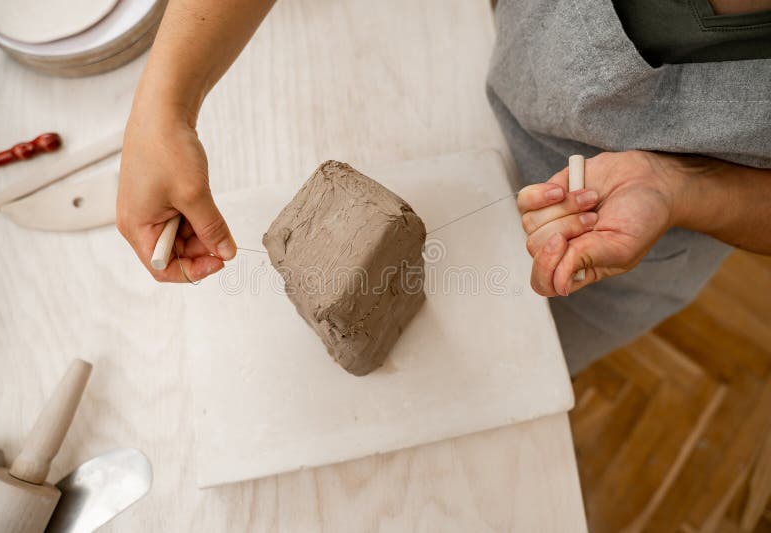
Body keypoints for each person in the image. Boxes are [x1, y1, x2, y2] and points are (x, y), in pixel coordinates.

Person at [117, 0, 771, 373]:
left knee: (514, 366)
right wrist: (165, 102)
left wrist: (683, 184)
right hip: (476, 84)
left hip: (631, 245)